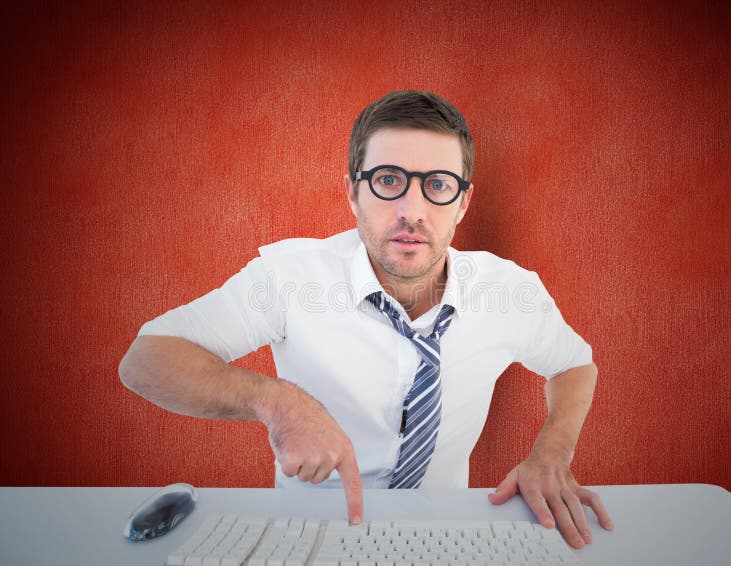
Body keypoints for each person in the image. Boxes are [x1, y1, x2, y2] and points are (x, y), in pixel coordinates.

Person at [119, 90, 614, 549]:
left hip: (448, 536)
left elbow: (575, 365)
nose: (411, 210)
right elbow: (146, 359)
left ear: (463, 202)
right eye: (388, 181)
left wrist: (553, 452)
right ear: (353, 193)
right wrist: (278, 402)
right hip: (308, 535)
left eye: (438, 185)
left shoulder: (511, 292)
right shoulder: (290, 277)